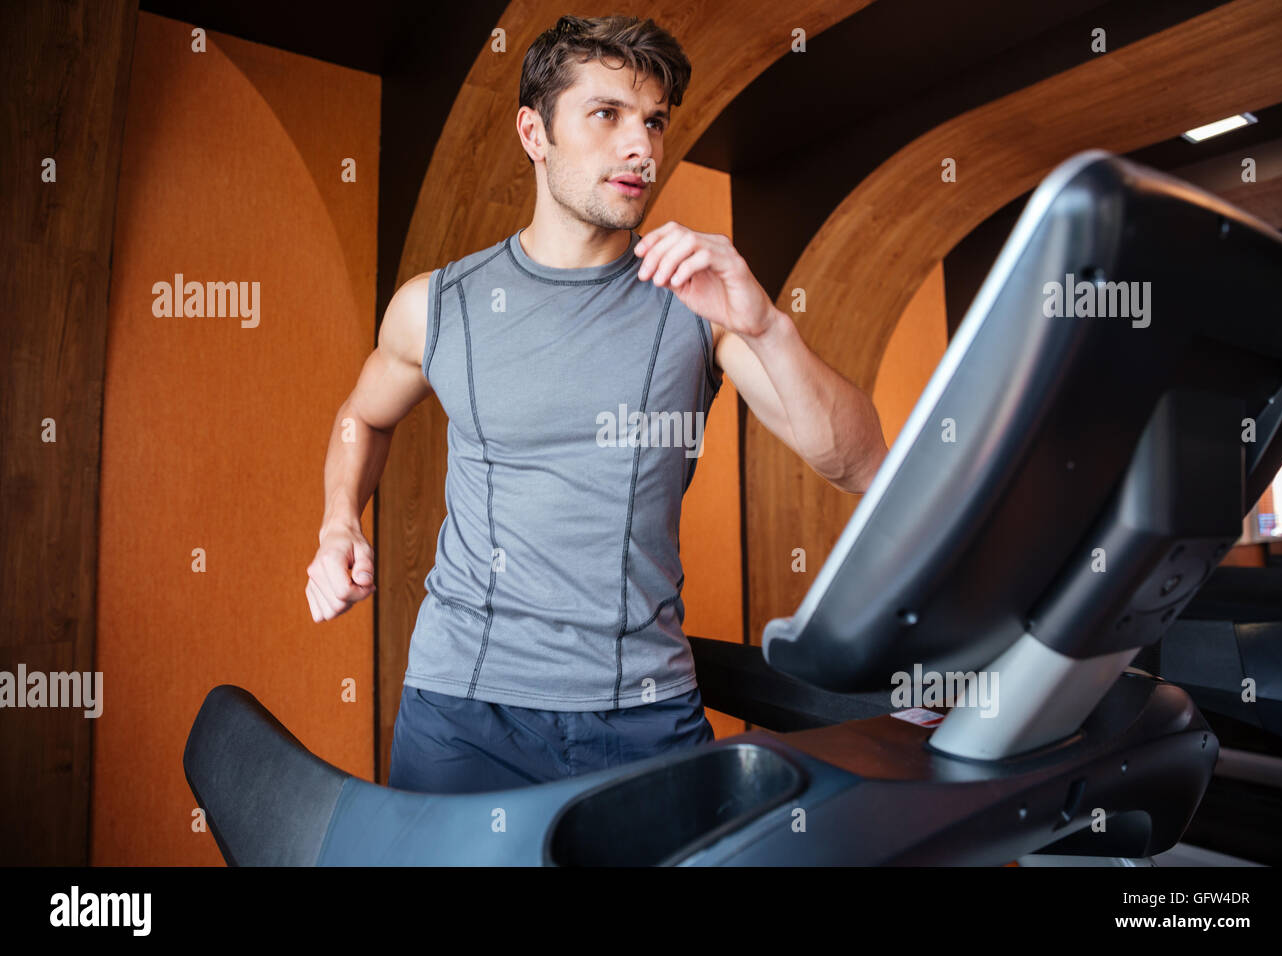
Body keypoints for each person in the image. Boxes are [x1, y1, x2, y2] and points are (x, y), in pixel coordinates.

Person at [305, 14, 888, 794]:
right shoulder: (438, 305)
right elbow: (363, 416)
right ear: (534, 133)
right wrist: (339, 521)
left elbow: (857, 465)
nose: (641, 147)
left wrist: (769, 325)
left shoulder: (698, 305)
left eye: (652, 121)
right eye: (606, 115)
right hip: (464, 712)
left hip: (646, 717)